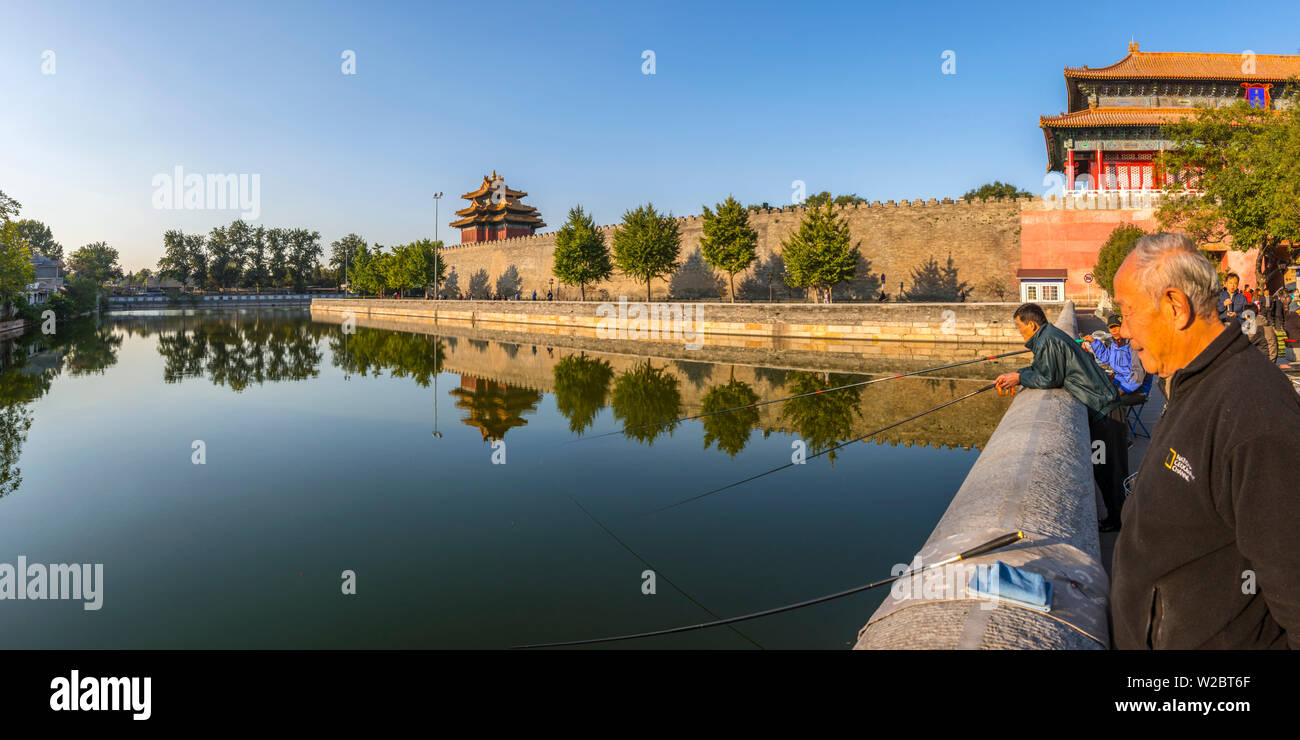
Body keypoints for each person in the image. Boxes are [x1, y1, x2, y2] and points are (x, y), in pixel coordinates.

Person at [1110, 233, 1300, 649]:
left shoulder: (1254, 410)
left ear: (1175, 307)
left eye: (1127, 311)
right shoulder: (1191, 381)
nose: (1122, 330)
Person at [994, 303, 1127, 531]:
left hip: (1105, 411)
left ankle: (1119, 521)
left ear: (1031, 324)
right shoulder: (1049, 336)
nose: (1019, 331)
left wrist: (1019, 378)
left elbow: (1048, 378)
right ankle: (1117, 518)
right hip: (1103, 407)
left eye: (1020, 326)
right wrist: (1018, 374)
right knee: (1105, 468)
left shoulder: (1047, 340)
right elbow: (1043, 369)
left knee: (1109, 470)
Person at [1082, 313, 1144, 393]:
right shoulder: (1114, 344)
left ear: (1124, 328)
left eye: (1117, 327)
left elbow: (1139, 374)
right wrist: (1093, 341)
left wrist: (1123, 389)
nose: (1114, 330)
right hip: (1119, 382)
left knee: (1107, 398)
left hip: (1134, 387)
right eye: (1111, 327)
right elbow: (1106, 358)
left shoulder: (1134, 345)